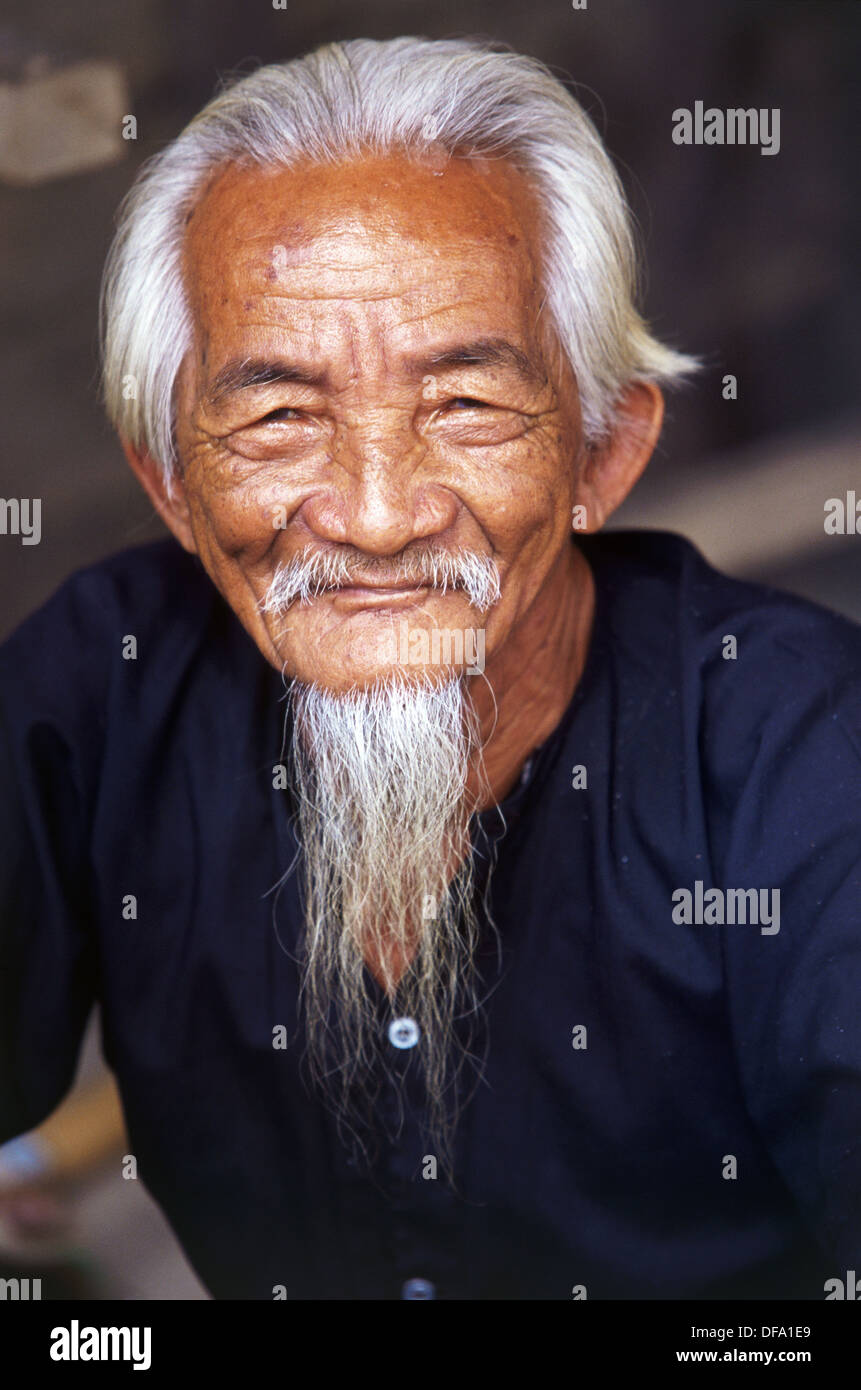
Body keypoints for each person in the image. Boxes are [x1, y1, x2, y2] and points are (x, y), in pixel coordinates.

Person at [1, 36, 858, 1301]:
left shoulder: (799, 755)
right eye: (280, 414)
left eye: (464, 405)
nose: (378, 513)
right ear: (171, 484)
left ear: (604, 457)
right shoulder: (101, 688)